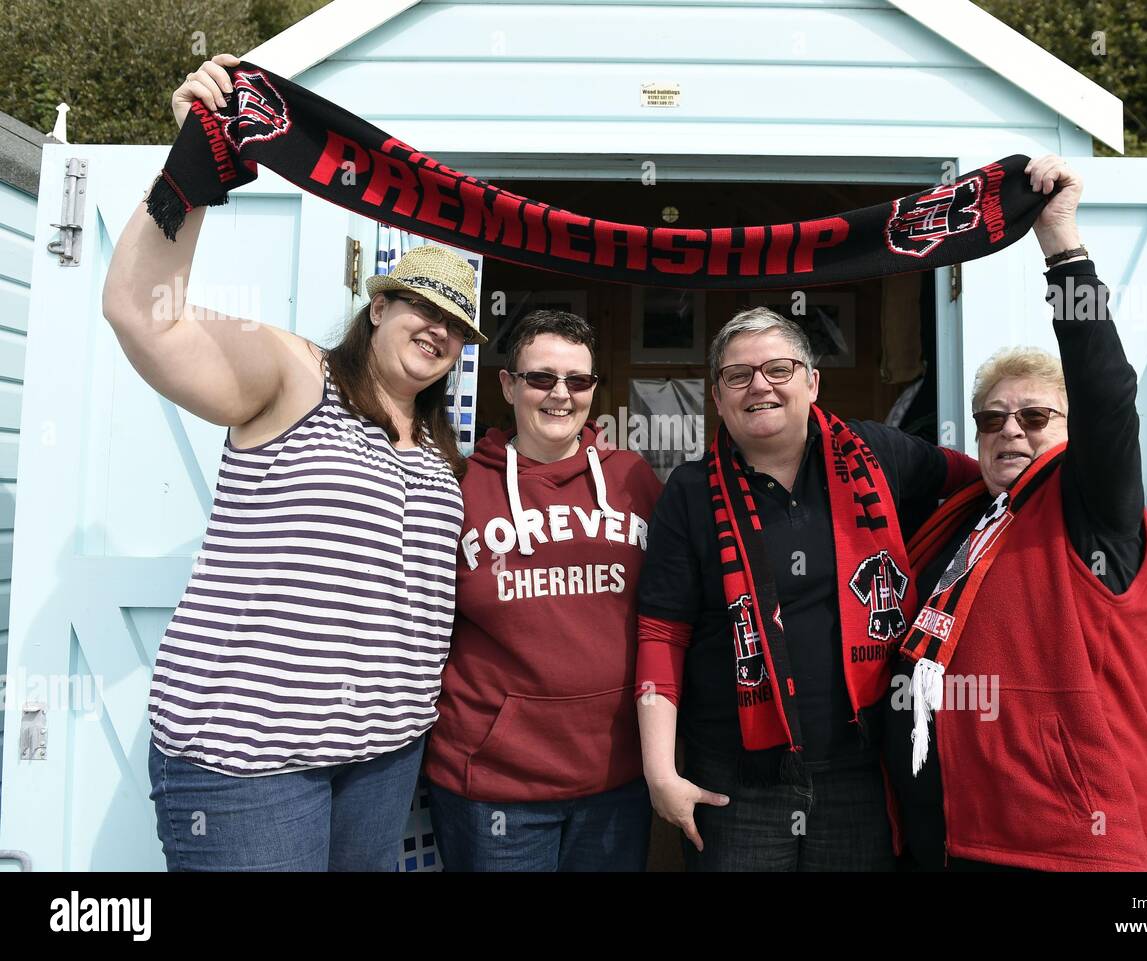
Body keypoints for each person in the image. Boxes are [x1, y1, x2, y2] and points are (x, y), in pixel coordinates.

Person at [102, 54, 482, 871]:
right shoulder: (297, 374)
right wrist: (193, 162)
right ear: (378, 306)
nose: (438, 330)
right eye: (421, 304)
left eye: (456, 325)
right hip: (250, 759)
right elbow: (143, 315)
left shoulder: (441, 447)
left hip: (383, 756)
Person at [883, 155, 1147, 872]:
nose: (1010, 431)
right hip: (958, 838)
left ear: (1070, 429)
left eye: (1035, 415)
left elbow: (1107, 394)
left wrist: (1060, 245)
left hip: (1069, 845)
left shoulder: (1091, 506)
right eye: (991, 419)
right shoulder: (964, 516)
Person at [635, 304, 979, 871]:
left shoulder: (880, 455)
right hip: (735, 779)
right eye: (738, 376)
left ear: (812, 382)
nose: (760, 387)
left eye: (779, 369)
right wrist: (660, 772)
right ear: (718, 398)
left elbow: (985, 481)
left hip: (862, 771)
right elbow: (661, 633)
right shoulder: (689, 492)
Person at [424, 310, 663, 871]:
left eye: (578, 381)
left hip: (616, 778)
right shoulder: (459, 485)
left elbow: (670, 616)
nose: (561, 395)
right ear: (507, 385)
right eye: (541, 378)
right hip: (493, 786)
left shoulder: (633, 479)